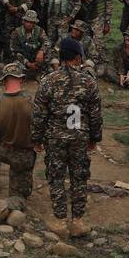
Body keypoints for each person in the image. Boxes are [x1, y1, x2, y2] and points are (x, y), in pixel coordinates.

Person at [31, 37, 103, 237]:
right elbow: (95, 114)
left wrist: (36, 139)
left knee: (56, 177)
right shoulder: (89, 82)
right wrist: (94, 138)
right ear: (78, 57)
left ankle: (60, 220)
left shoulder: (48, 81)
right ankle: (78, 220)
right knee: (79, 177)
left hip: (55, 138)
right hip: (79, 137)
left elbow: (39, 114)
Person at [0, 62, 37, 211]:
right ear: (21, 79)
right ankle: (16, 200)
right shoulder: (32, 102)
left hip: (4, 151)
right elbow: (40, 130)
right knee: (19, 196)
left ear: (4, 80)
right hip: (25, 157)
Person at [8, 9, 49, 75]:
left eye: (31, 22)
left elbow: (46, 42)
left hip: (36, 58)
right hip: (23, 59)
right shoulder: (16, 33)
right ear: (23, 21)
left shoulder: (40, 31)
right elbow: (14, 51)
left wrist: (41, 51)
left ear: (34, 23)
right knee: (15, 67)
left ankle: (40, 72)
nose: (29, 24)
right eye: (27, 21)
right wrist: (27, 63)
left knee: (49, 55)